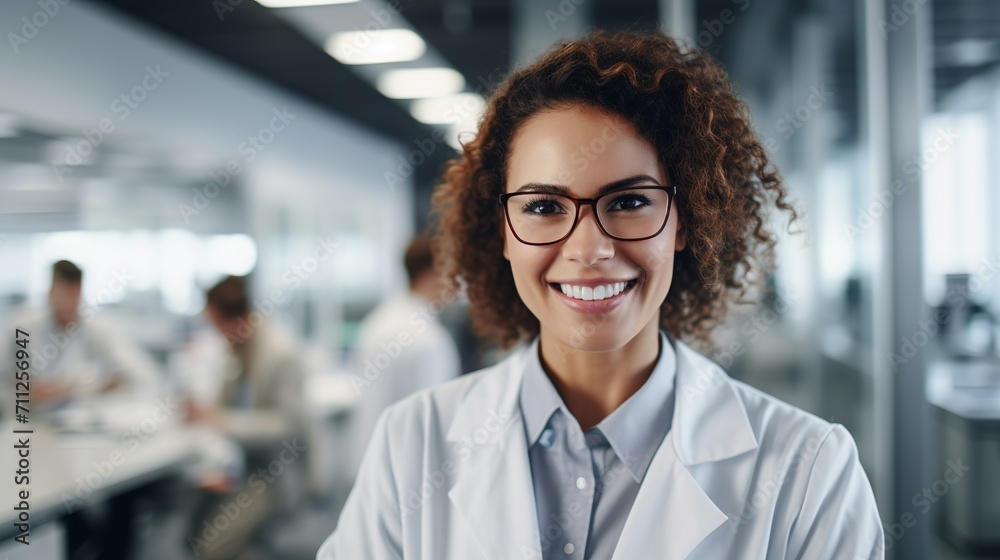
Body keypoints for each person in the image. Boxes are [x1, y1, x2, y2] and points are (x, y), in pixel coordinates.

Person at [318, 30, 884, 559]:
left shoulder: (807, 471)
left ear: (683, 221)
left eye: (630, 202)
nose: (588, 249)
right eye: (544, 207)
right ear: (502, 233)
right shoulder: (412, 444)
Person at [5, 260, 160, 560]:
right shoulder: (23, 328)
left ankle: (97, 545)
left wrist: (85, 386)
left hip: (80, 431)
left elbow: (135, 374)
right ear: (51, 292)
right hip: (33, 432)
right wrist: (71, 387)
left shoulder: (92, 326)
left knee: (118, 491)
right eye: (65, 297)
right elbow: (19, 388)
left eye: (76, 297)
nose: (71, 308)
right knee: (53, 503)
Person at [185, 275, 306, 560]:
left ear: (234, 320)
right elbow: (224, 406)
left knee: (212, 546)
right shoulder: (236, 348)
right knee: (190, 529)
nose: (215, 333)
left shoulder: (279, 353)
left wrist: (219, 419)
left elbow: (288, 427)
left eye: (216, 324)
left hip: (273, 472)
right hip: (237, 464)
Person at [348, 233, 461, 477]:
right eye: (454, 274)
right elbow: (434, 425)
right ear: (431, 274)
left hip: (369, 463)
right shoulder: (429, 340)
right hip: (410, 473)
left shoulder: (378, 320)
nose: (458, 285)